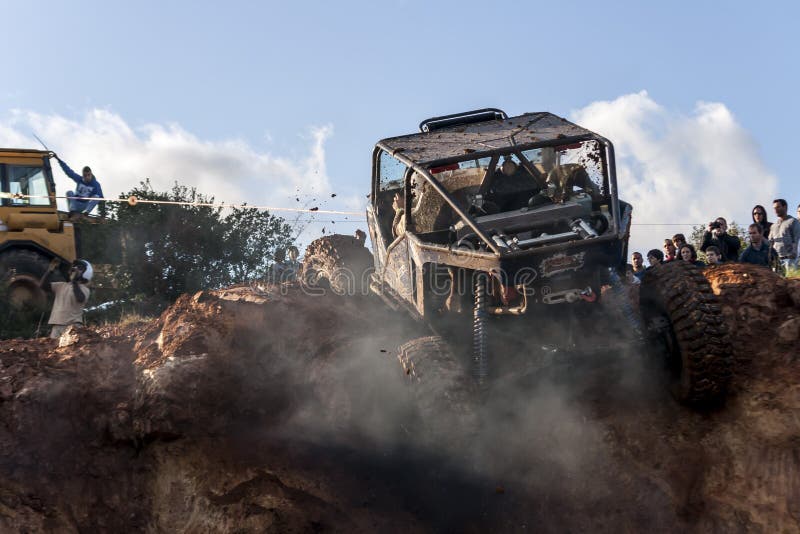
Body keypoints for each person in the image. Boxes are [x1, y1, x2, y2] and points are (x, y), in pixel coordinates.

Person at [40, 259, 92, 339]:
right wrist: (50, 271)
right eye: (74, 268)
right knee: (55, 350)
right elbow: (43, 286)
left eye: (79, 268)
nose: (75, 270)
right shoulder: (61, 286)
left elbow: (80, 299)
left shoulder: (85, 289)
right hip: (57, 326)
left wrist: (74, 281)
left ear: (86, 273)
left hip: (73, 326)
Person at [768, 198, 800, 270]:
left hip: (789, 260)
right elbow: (770, 243)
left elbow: (796, 239)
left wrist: (793, 254)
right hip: (777, 261)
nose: (775, 210)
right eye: (774, 208)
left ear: (785, 207)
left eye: (778, 207)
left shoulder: (793, 222)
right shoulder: (774, 226)